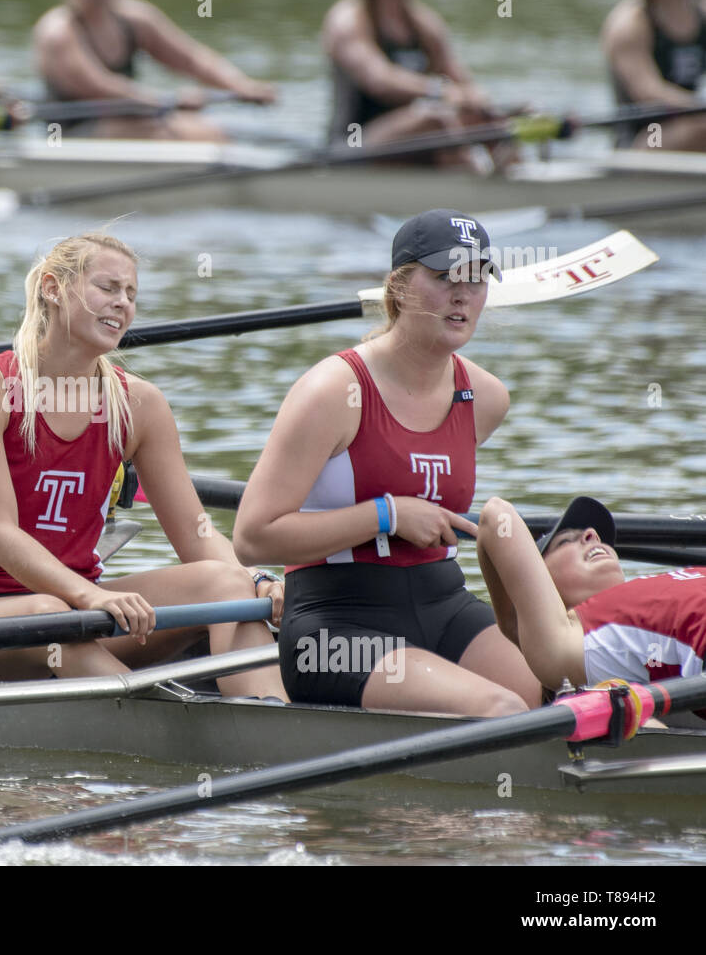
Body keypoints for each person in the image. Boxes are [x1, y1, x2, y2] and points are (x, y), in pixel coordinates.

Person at [0, 231, 286, 699]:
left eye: (131, 294)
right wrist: (89, 596)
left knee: (227, 583)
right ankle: (162, 728)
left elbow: (197, 535)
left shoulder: (140, 405)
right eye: (108, 288)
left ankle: (269, 715)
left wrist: (257, 579)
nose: (123, 304)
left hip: (80, 612)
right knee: (50, 612)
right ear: (53, 288)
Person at [233, 209, 540, 716]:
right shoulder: (332, 391)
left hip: (445, 605)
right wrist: (387, 515)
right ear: (398, 289)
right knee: (502, 710)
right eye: (445, 278)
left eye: (476, 279)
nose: (463, 295)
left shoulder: (486, 397)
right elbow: (252, 537)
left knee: (556, 694)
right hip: (335, 627)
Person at [33, 0, 277, 140]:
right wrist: (167, 101)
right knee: (166, 127)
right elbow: (101, 86)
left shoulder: (136, 19)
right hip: (66, 136)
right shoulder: (58, 30)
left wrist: (241, 85)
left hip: (129, 123)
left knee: (206, 130)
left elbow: (193, 59)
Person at [478, 495, 706, 696]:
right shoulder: (561, 646)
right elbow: (496, 515)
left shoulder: (648, 591)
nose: (592, 534)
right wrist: (517, 623)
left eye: (597, 538)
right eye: (565, 541)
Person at [322, 0, 505, 168]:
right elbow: (379, 79)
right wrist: (440, 91)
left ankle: (513, 173)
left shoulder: (426, 25)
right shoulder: (349, 20)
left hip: (408, 142)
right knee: (434, 119)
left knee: (483, 118)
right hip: (353, 146)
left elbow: (463, 84)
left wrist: (482, 103)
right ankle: (475, 182)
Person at [603, 0, 706, 149]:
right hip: (646, 138)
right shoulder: (631, 24)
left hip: (694, 123)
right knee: (700, 128)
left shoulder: (702, 15)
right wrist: (698, 107)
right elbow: (648, 92)